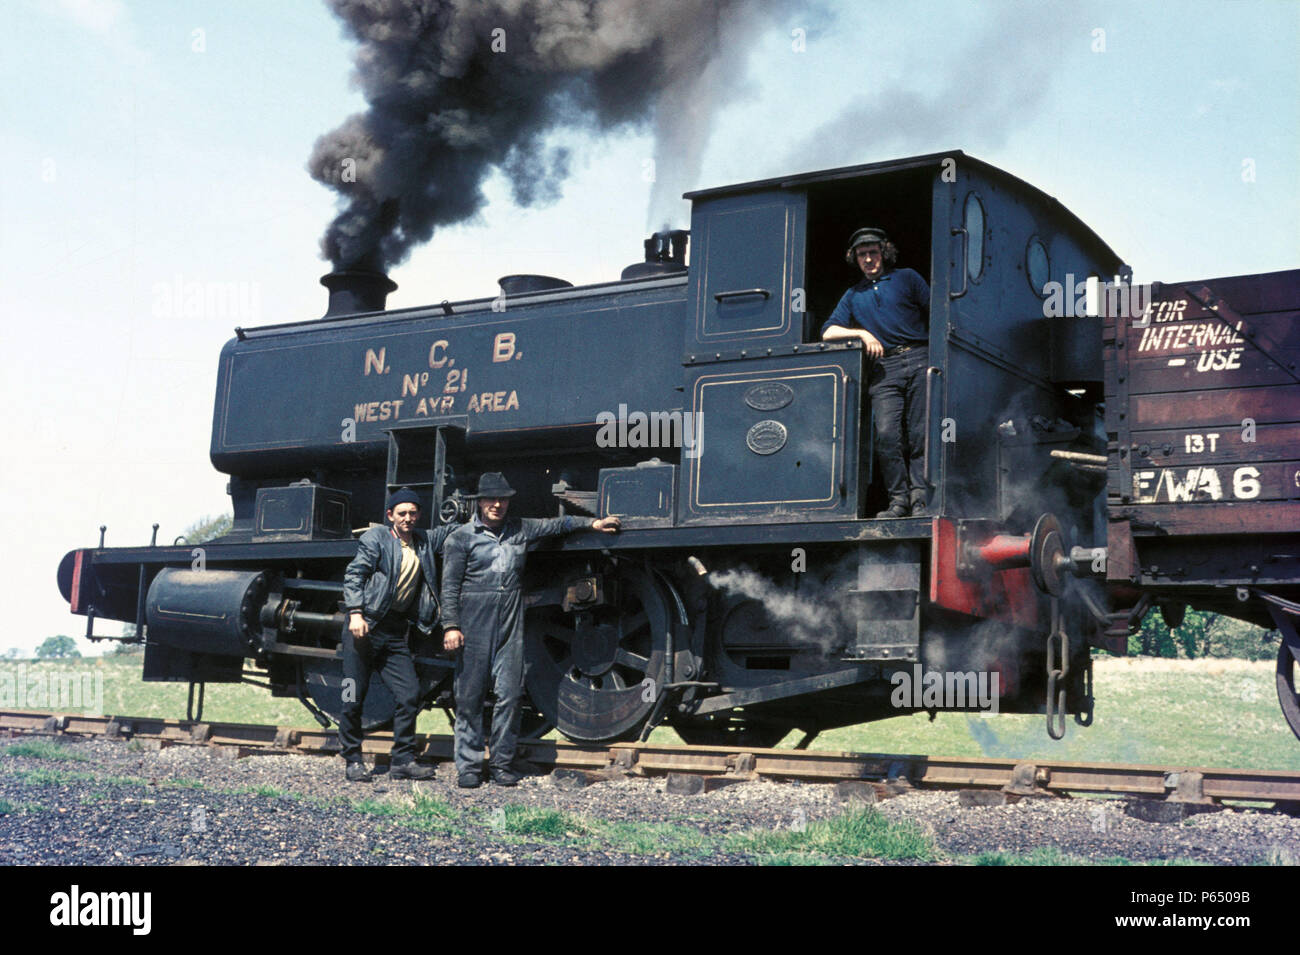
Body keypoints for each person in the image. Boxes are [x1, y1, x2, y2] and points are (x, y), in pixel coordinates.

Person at [440, 472, 621, 788]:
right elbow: (450, 585)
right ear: (479, 502)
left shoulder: (520, 529)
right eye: (491, 499)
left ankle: (501, 764)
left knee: (510, 696)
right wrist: (451, 625)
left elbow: (556, 525)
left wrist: (591, 524)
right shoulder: (461, 538)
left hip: (510, 620)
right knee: (469, 697)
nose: (497, 505)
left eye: (503, 499)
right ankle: (468, 767)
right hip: (474, 620)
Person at [338, 487, 458, 782]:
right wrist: (355, 612)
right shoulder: (375, 538)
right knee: (353, 697)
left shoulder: (424, 541)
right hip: (364, 628)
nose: (408, 518)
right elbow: (355, 575)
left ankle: (402, 760)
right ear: (390, 515)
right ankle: (352, 759)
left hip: (393, 632)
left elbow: (453, 529)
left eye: (413, 513)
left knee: (410, 695)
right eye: (402, 513)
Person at [821, 227, 932, 518]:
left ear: (884, 253)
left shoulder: (907, 278)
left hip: (920, 357)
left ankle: (921, 498)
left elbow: (937, 312)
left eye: (872, 252)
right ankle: (899, 500)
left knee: (920, 433)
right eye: (862, 255)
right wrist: (862, 334)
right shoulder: (853, 295)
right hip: (886, 367)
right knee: (886, 435)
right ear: (854, 259)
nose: (868, 259)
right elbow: (828, 331)